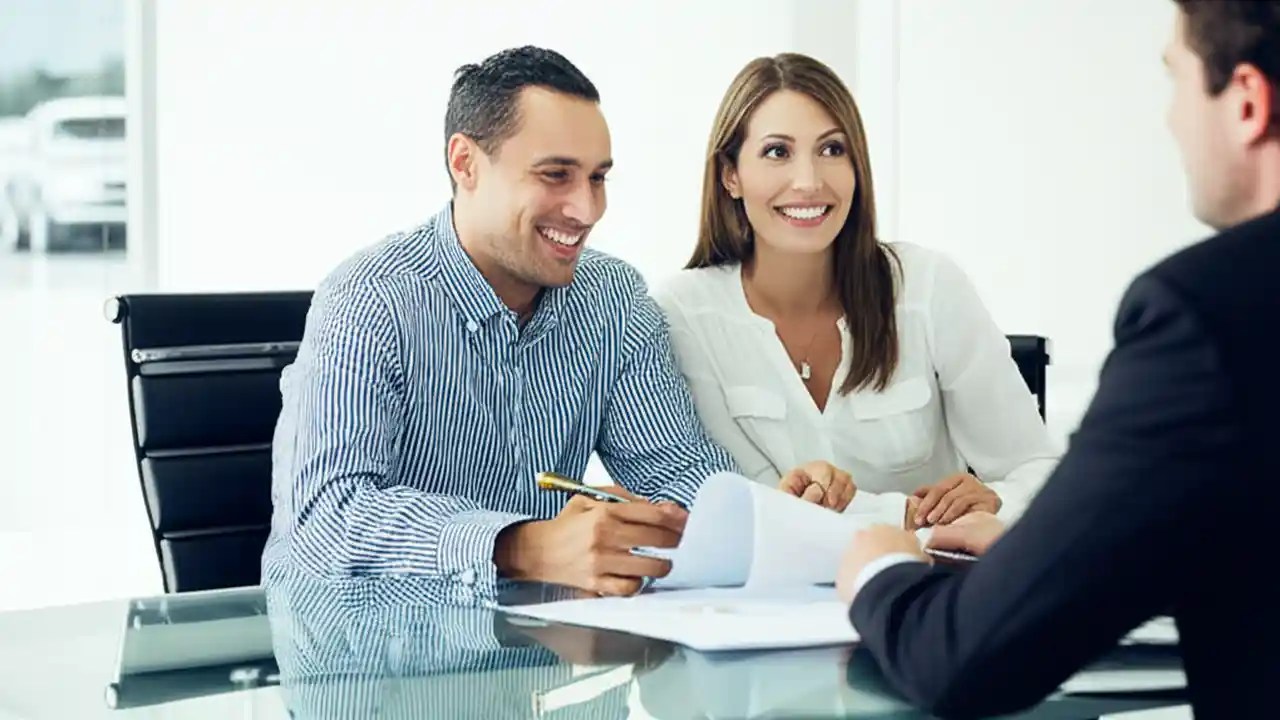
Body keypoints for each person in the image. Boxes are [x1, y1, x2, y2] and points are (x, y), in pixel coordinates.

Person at [263, 46, 847, 604]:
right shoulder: (369, 298)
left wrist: (761, 512)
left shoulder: (611, 297)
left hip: (537, 658)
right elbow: (325, 518)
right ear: (465, 163)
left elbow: (671, 468)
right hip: (364, 672)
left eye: (597, 178)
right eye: (555, 175)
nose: (587, 210)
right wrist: (518, 544)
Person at [836, 2, 1280, 716]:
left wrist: (880, 569)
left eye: (1178, 81)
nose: (1171, 121)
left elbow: (962, 660)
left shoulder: (1202, 313)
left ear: (1249, 103)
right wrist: (1040, 553)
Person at [654, 53, 1060, 530]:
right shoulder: (683, 312)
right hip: (772, 600)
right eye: (777, 152)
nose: (808, 181)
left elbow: (1038, 472)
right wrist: (905, 514)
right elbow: (752, 504)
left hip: (927, 587)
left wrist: (995, 501)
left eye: (832, 150)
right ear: (730, 175)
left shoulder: (928, 286)